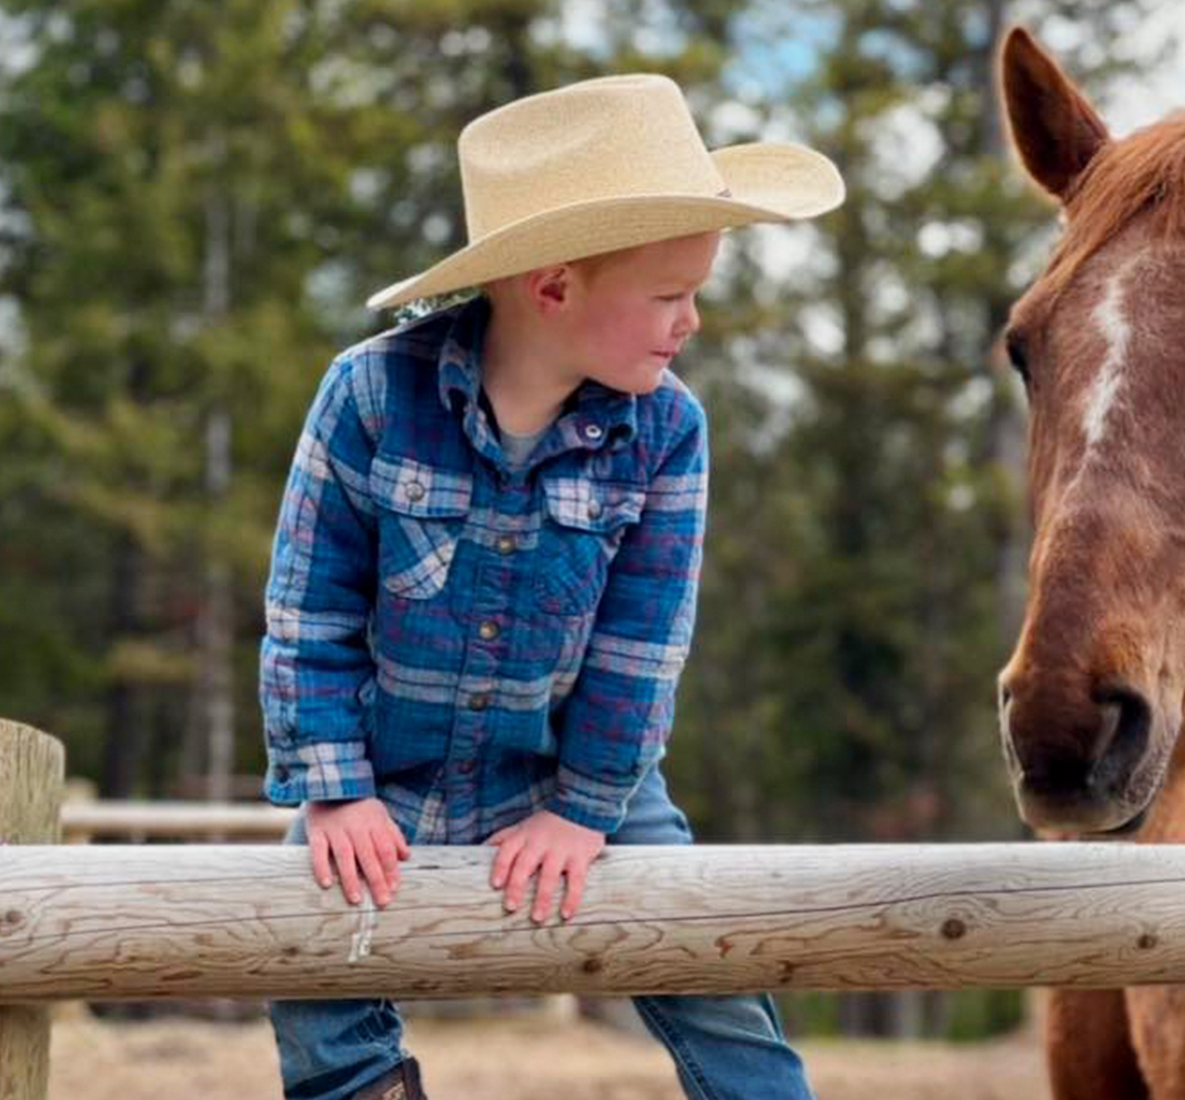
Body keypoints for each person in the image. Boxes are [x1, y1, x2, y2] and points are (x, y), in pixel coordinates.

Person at [259, 72, 845, 1100]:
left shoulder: (668, 432)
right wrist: (336, 786)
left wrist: (582, 810)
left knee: (710, 959)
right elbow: (308, 613)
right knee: (299, 939)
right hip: (382, 769)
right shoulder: (367, 396)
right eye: (671, 294)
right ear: (554, 287)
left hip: (576, 771)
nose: (692, 321)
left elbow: (640, 651)